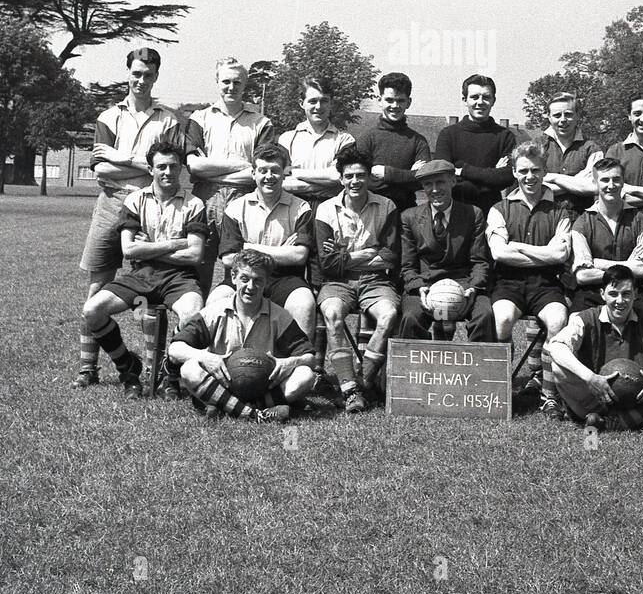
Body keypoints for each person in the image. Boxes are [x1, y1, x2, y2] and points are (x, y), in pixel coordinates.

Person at [74, 47, 184, 387]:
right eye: (136, 73)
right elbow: (101, 168)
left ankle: (167, 371)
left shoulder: (169, 119)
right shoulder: (109, 117)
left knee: (157, 283)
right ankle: (91, 367)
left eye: (147, 75)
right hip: (110, 203)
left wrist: (123, 157)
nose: (141, 80)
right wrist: (142, 165)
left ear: (156, 76)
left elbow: (169, 166)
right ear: (128, 73)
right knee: (97, 287)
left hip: (151, 207)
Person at [77, 140, 208, 396]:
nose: (167, 172)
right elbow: (129, 250)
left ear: (181, 168)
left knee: (193, 314)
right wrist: (173, 244)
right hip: (139, 275)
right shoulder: (135, 200)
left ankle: (170, 373)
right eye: (161, 167)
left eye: (173, 166)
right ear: (150, 169)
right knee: (92, 310)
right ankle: (127, 365)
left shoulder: (195, 204)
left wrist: (151, 247)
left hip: (179, 277)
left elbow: (194, 255)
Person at [166, 249, 316, 422]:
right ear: (234, 277)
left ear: (266, 282)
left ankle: (226, 406)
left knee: (305, 375)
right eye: (245, 279)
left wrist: (289, 362)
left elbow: (310, 358)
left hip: (263, 384)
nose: (251, 287)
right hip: (223, 382)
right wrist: (205, 357)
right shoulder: (214, 312)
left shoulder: (280, 317)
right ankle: (255, 413)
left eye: (258, 280)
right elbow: (175, 349)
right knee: (189, 369)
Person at [547, 266, 643, 430]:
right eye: (613, 294)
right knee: (558, 368)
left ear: (635, 293)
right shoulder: (584, 318)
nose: (620, 301)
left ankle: (608, 422)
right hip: (596, 395)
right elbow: (555, 346)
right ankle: (616, 417)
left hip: (640, 395)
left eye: (626, 294)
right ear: (602, 294)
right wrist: (590, 378)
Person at [311, 147, 401, 414]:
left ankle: (364, 380)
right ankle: (349, 388)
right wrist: (365, 253)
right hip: (338, 282)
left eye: (361, 175)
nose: (355, 181)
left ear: (370, 177)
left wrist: (344, 255)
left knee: (389, 314)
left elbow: (390, 256)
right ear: (340, 178)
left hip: (375, 280)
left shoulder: (386, 206)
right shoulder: (325, 210)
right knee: (332, 313)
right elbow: (328, 264)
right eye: (349, 176)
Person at [486, 141, 573, 417]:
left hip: (546, 284)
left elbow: (560, 254)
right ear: (513, 171)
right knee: (501, 320)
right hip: (508, 283)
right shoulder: (500, 208)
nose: (529, 177)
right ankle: (500, 391)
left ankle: (550, 395)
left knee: (558, 320)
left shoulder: (560, 209)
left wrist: (519, 247)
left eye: (535, 170)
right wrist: (542, 254)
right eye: (523, 170)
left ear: (544, 170)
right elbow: (499, 253)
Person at [577, 91, 643, 310]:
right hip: (622, 226)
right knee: (617, 292)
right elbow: (611, 193)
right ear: (629, 116)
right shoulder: (616, 150)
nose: (642, 118)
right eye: (637, 113)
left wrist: (633, 189)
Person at [210, 143, 318, 340]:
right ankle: (216, 362)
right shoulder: (235, 208)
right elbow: (228, 259)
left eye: (275, 171)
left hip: (284, 279)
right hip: (243, 276)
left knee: (304, 304)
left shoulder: (301, 208)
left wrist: (247, 247)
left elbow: (299, 255)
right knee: (216, 300)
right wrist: (281, 252)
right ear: (253, 173)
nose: (269, 177)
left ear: (284, 173)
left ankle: (300, 362)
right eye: (263, 171)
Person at [186, 59, 275, 293]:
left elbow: (259, 173)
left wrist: (213, 169)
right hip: (204, 199)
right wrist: (240, 166)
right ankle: (197, 325)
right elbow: (194, 167)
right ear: (217, 82)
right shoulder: (199, 118)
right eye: (225, 81)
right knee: (198, 268)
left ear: (245, 84)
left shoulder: (261, 123)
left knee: (240, 269)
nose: (231, 87)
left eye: (237, 82)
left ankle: (234, 325)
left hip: (243, 200)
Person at [400, 159, 496, 342]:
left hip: (464, 282)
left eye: (440, 182)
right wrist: (420, 288)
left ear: (453, 181)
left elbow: (480, 261)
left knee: (484, 316)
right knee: (410, 318)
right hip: (425, 283)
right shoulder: (409, 217)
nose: (435, 189)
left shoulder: (472, 214)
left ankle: (478, 368)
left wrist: (472, 288)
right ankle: (420, 368)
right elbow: (407, 266)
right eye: (428, 184)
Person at [568, 156, 643, 314]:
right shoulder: (582, 223)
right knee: (574, 325)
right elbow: (582, 276)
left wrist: (597, 263)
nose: (611, 185)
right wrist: (628, 266)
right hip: (592, 293)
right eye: (604, 180)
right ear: (595, 183)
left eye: (616, 179)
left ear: (623, 182)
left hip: (631, 292)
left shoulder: (641, 220)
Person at [433, 73, 516, 213]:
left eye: (486, 97)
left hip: (491, 213)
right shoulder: (448, 135)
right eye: (474, 97)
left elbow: (507, 177)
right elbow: (443, 176)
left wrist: (462, 171)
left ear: (493, 100)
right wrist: (491, 178)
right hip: (454, 212)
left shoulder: (505, 136)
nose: (480, 102)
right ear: (464, 100)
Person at [354, 71, 431, 214]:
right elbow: (360, 179)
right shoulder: (366, 138)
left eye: (400, 100)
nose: (395, 106)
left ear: (409, 102)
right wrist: (409, 175)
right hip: (371, 213)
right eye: (389, 100)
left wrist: (387, 174)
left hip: (406, 214)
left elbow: (423, 180)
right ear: (380, 100)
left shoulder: (418, 141)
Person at [278, 77, 356, 207]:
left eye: (324, 101)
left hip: (332, 209)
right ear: (301, 103)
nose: (319, 107)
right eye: (313, 101)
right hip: (292, 209)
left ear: (331, 103)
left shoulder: (345, 140)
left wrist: (294, 172)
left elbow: (337, 176)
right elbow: (281, 182)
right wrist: (326, 185)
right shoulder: (286, 139)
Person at [539, 92, 602, 214]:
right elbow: (532, 185)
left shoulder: (592, 149)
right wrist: (576, 184)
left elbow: (594, 186)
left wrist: (552, 177)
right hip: (545, 219)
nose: (563, 120)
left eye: (568, 114)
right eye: (557, 115)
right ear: (548, 116)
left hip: (582, 220)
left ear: (577, 115)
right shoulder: (537, 146)